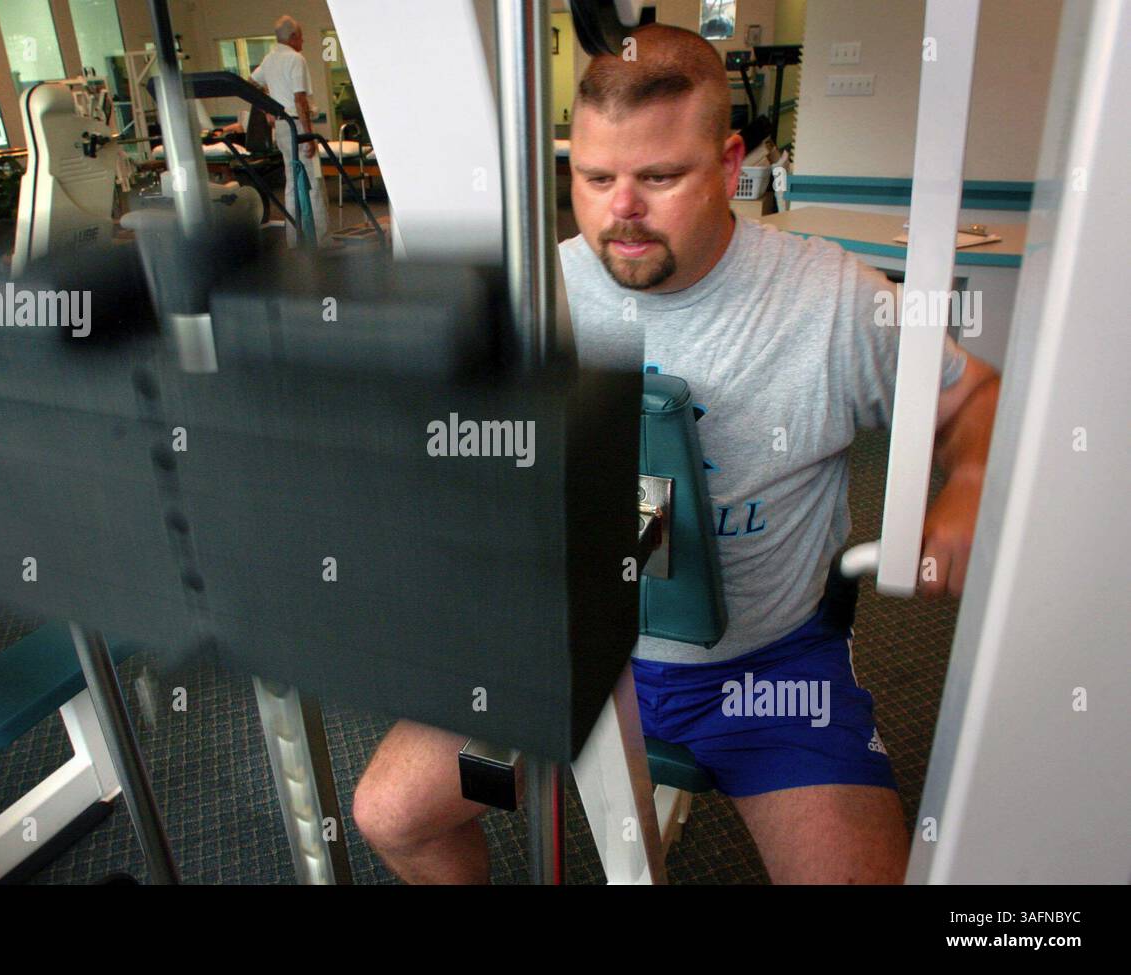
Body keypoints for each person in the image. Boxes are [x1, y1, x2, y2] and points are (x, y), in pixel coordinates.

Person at [352, 24, 1001, 884]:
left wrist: (965, 495)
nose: (619, 209)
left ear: (731, 167)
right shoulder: (537, 293)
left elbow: (976, 399)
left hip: (765, 682)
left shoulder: (834, 300)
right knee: (393, 815)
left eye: (659, 177)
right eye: (593, 178)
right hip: (569, 660)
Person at [252, 15, 329, 246]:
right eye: (302, 36)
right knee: (313, 182)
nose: (303, 41)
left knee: (291, 182)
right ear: (293, 37)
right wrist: (309, 137)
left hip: (282, 127)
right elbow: (300, 99)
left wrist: (269, 109)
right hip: (296, 125)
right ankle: (322, 241)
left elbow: (251, 84)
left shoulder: (269, 59)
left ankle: (295, 240)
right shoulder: (295, 58)